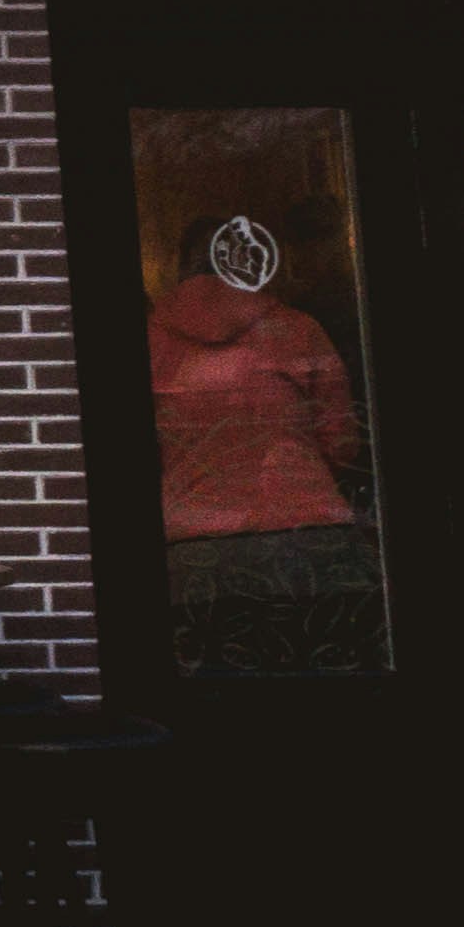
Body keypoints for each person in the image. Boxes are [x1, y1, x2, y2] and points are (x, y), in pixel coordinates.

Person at [151, 226, 379, 674]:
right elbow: (343, 442)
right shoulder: (296, 329)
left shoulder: (148, 339)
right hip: (306, 532)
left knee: (217, 682)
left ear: (181, 268)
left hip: (192, 543)